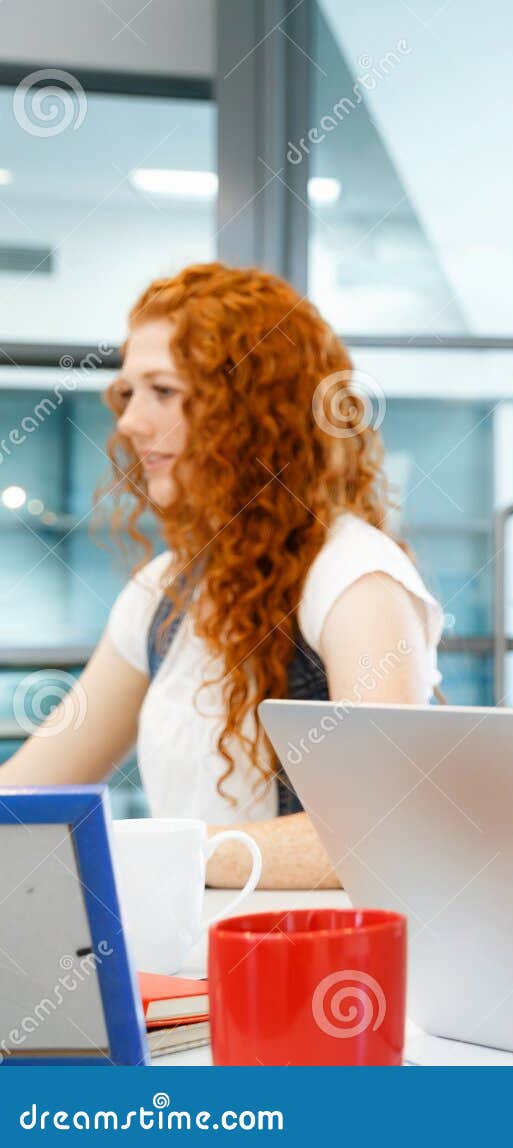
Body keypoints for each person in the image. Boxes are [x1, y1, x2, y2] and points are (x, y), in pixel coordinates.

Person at [1, 264, 443, 889]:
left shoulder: (354, 578)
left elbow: (384, 829)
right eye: (128, 393)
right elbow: (26, 794)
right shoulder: (162, 592)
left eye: (164, 391)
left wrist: (162, 853)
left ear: (255, 409)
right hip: (189, 964)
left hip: (309, 975)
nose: (128, 421)